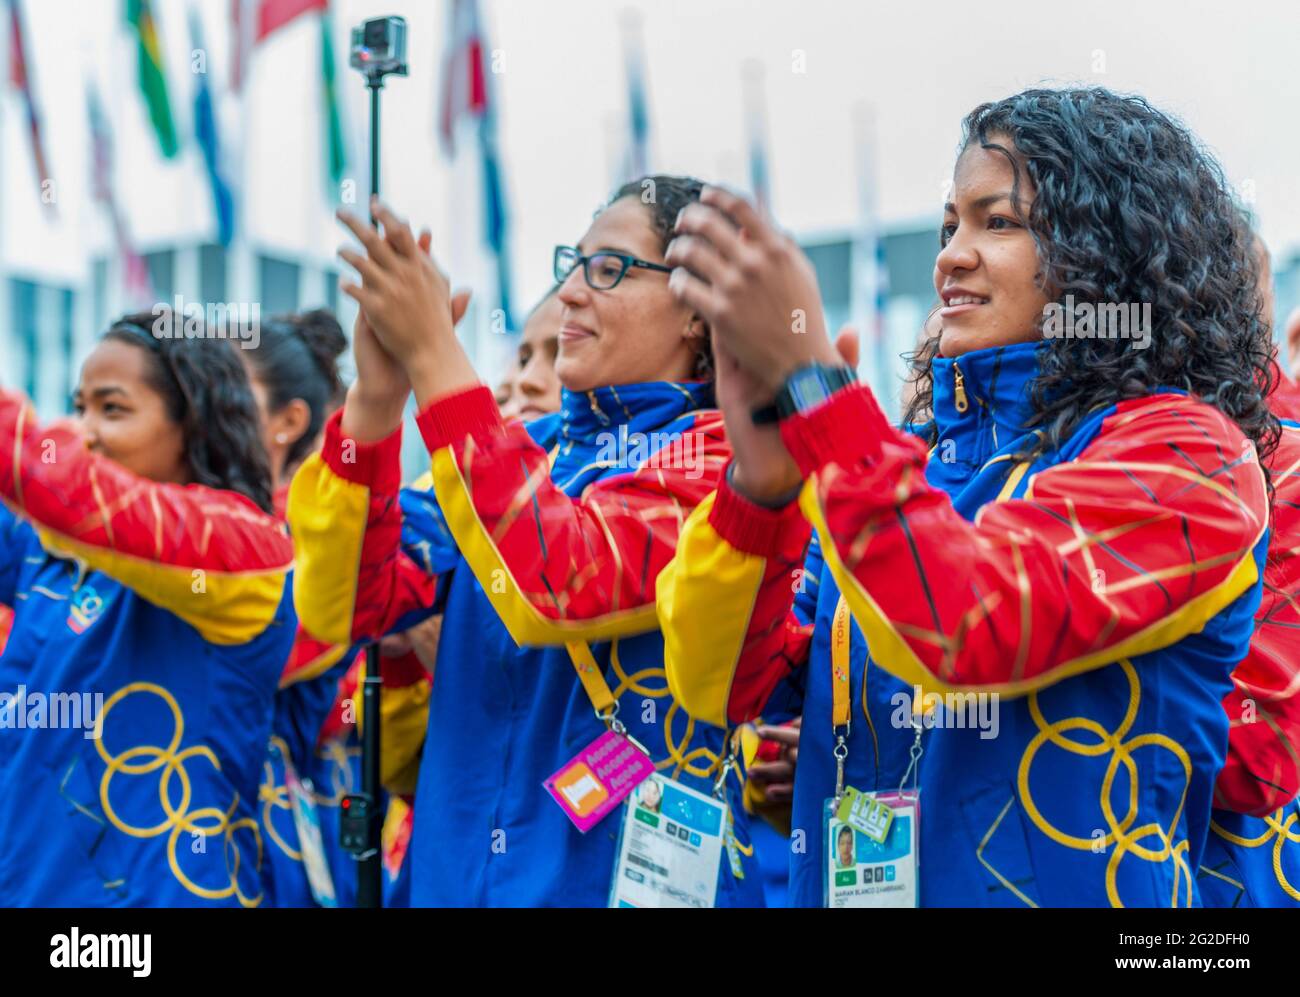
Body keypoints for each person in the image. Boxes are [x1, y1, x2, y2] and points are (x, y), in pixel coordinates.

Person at [659, 87, 1276, 907]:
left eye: (999, 221)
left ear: (1109, 251)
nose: (951, 254)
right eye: (951, 224)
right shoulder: (905, 461)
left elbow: (968, 620)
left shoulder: (1191, 455)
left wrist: (818, 384)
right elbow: (719, 686)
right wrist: (762, 489)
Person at [289, 176, 765, 906]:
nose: (571, 291)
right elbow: (343, 603)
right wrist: (375, 404)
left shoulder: (729, 465)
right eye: (572, 264)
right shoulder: (521, 451)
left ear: (697, 310)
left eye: (608, 269)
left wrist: (434, 357)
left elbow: (560, 582)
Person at [0, 310, 295, 905]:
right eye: (78, 406)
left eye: (112, 409)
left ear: (194, 427)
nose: (83, 431)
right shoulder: (49, 553)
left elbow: (51, 481)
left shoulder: (247, 549)